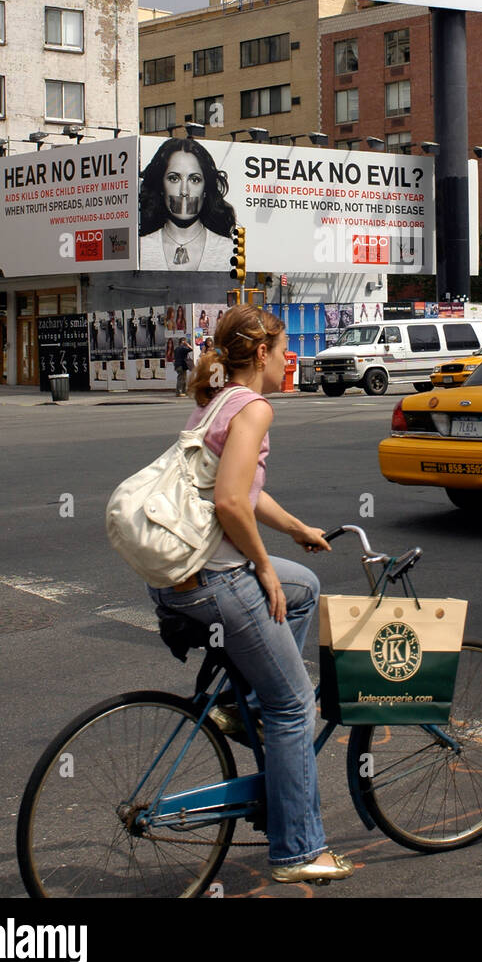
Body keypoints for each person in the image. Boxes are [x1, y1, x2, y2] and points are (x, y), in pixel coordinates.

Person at [147, 306, 353, 884]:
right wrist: (262, 565)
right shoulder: (255, 407)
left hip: (176, 578)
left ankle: (244, 708)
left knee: (304, 585)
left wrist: (295, 531)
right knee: (294, 707)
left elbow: (241, 489)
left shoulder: (214, 400)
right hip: (215, 581)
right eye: (286, 349)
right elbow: (230, 503)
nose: (292, 359)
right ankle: (298, 851)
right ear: (261, 354)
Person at [138, 137, 237, 271]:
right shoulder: (139, 250)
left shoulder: (230, 251)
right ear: (161, 186)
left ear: (206, 189)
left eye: (194, 179)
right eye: (174, 178)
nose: (184, 191)